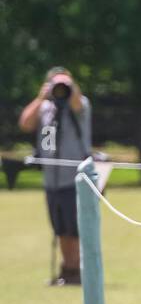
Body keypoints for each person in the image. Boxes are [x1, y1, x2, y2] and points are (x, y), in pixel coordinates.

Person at [18, 67, 92, 286]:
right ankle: (66, 270)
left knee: (75, 228)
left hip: (76, 178)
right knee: (60, 228)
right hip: (51, 180)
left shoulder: (80, 105)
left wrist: (69, 86)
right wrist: (42, 96)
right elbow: (25, 123)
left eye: (64, 84)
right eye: (55, 84)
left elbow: (77, 101)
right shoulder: (45, 107)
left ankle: (77, 270)